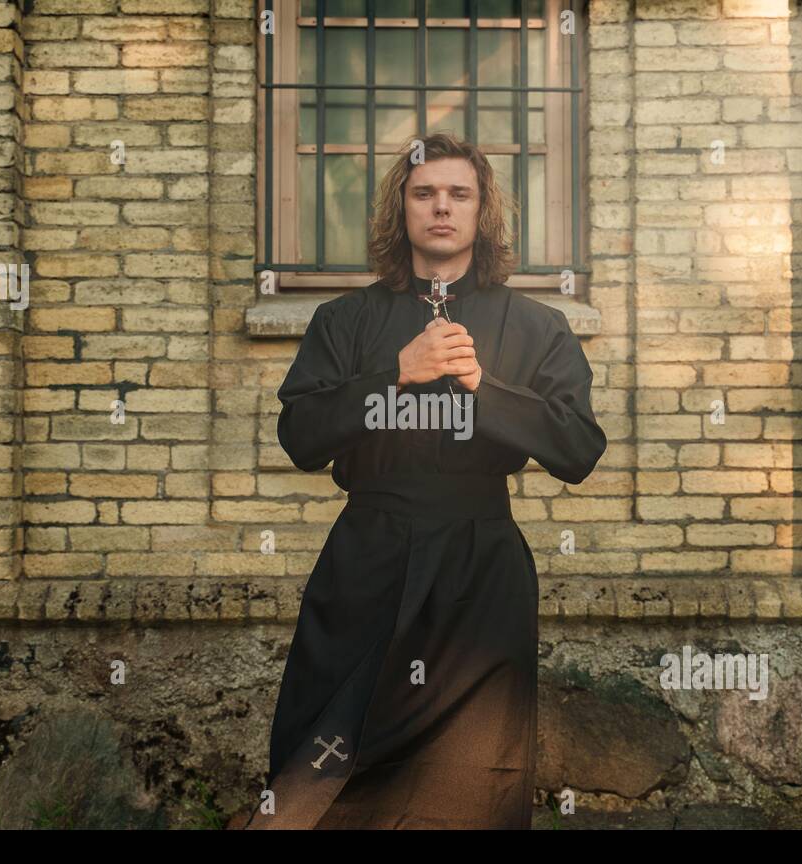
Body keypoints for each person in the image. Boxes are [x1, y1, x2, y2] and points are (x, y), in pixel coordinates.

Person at [244, 132, 606, 829]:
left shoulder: (536, 325)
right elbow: (300, 437)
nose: (442, 207)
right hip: (367, 566)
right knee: (315, 768)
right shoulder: (344, 320)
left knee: (468, 784)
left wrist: (481, 386)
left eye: (459, 194)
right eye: (424, 193)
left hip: (479, 576)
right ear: (400, 209)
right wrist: (395, 375)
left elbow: (578, 449)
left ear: (482, 210)